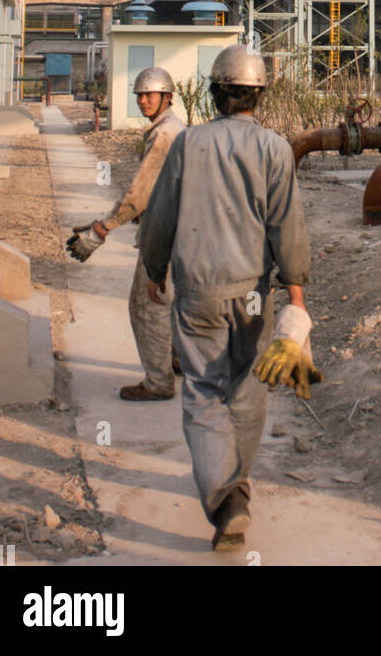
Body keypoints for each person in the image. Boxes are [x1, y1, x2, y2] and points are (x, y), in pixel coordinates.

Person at [140, 44, 315, 551]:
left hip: (197, 291)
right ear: (259, 95)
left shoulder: (188, 145)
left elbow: (161, 216)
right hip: (254, 295)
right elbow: (289, 228)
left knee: (202, 391)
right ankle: (236, 483)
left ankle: (227, 498)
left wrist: (155, 268)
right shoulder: (276, 149)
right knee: (247, 388)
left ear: (214, 93)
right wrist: (297, 298)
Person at [66, 66, 184, 401]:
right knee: (169, 302)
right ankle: (176, 360)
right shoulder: (169, 129)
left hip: (163, 236)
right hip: (174, 231)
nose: (144, 101)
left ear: (167, 97)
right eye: (140, 95)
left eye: (150, 95)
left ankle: (158, 382)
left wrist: (102, 229)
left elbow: (139, 194)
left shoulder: (164, 135)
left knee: (147, 306)